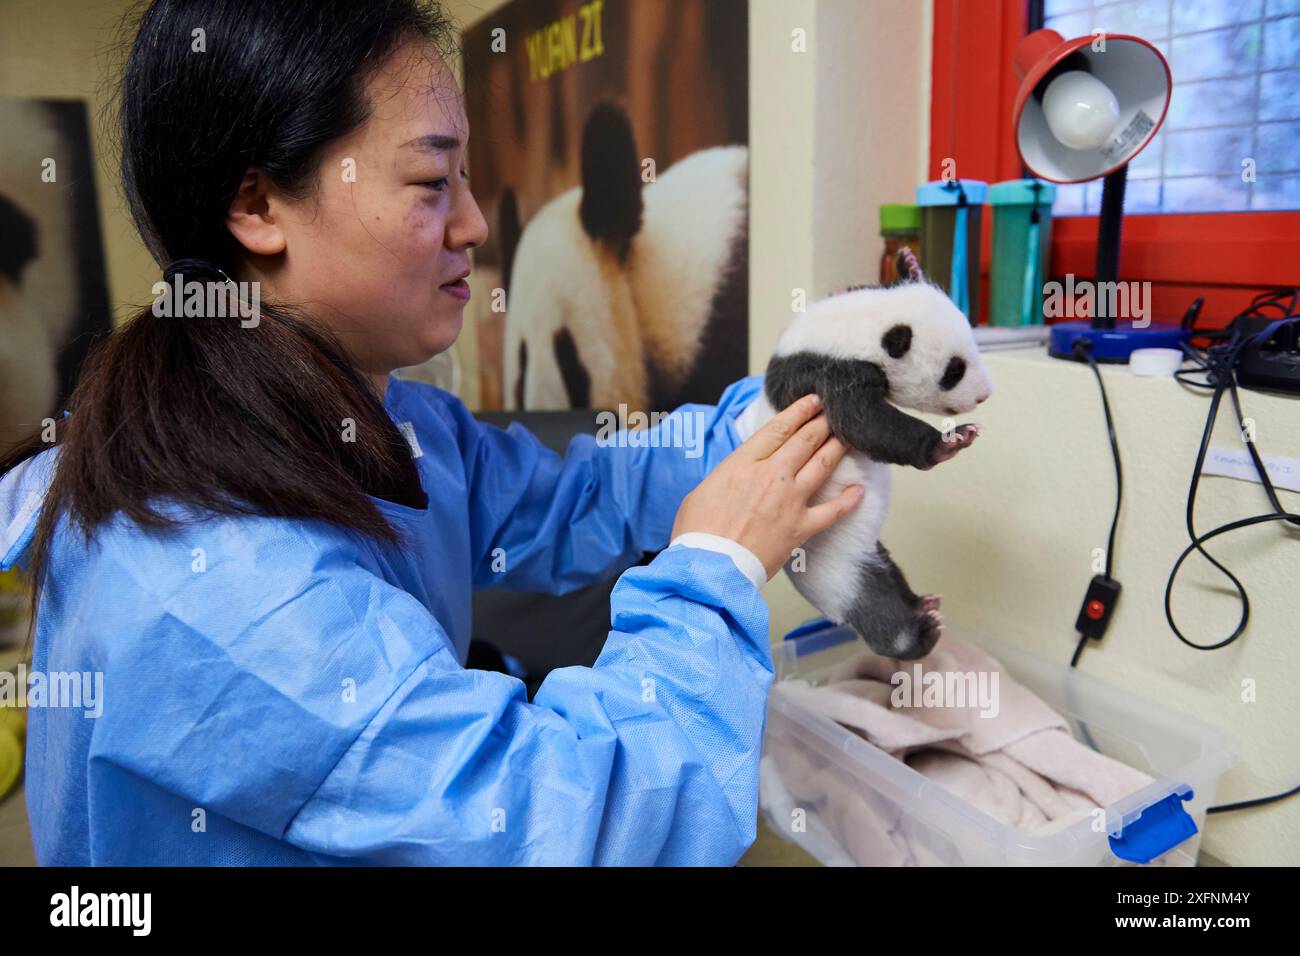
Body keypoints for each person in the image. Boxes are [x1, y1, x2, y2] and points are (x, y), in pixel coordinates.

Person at [0, 0, 862, 865]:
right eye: (430, 183)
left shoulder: (388, 420)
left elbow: (577, 495)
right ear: (259, 206)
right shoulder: (221, 582)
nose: (475, 225)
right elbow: (573, 827)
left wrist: (775, 414)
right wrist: (714, 573)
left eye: (468, 180)